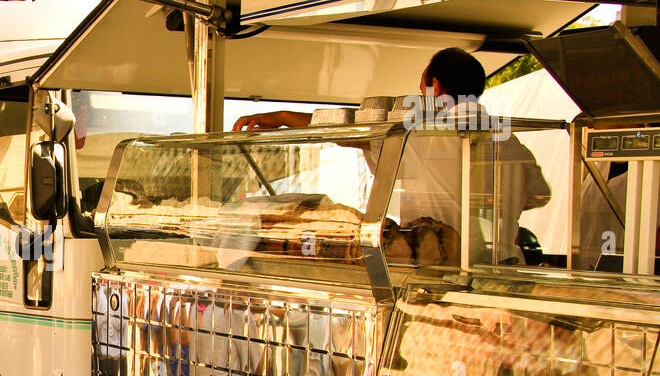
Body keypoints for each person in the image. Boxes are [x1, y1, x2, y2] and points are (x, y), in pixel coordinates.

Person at [233, 47, 549, 265]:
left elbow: (351, 134)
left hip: (442, 267)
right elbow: (538, 196)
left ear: (435, 88)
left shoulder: (427, 136)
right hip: (502, 267)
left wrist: (286, 115)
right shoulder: (511, 141)